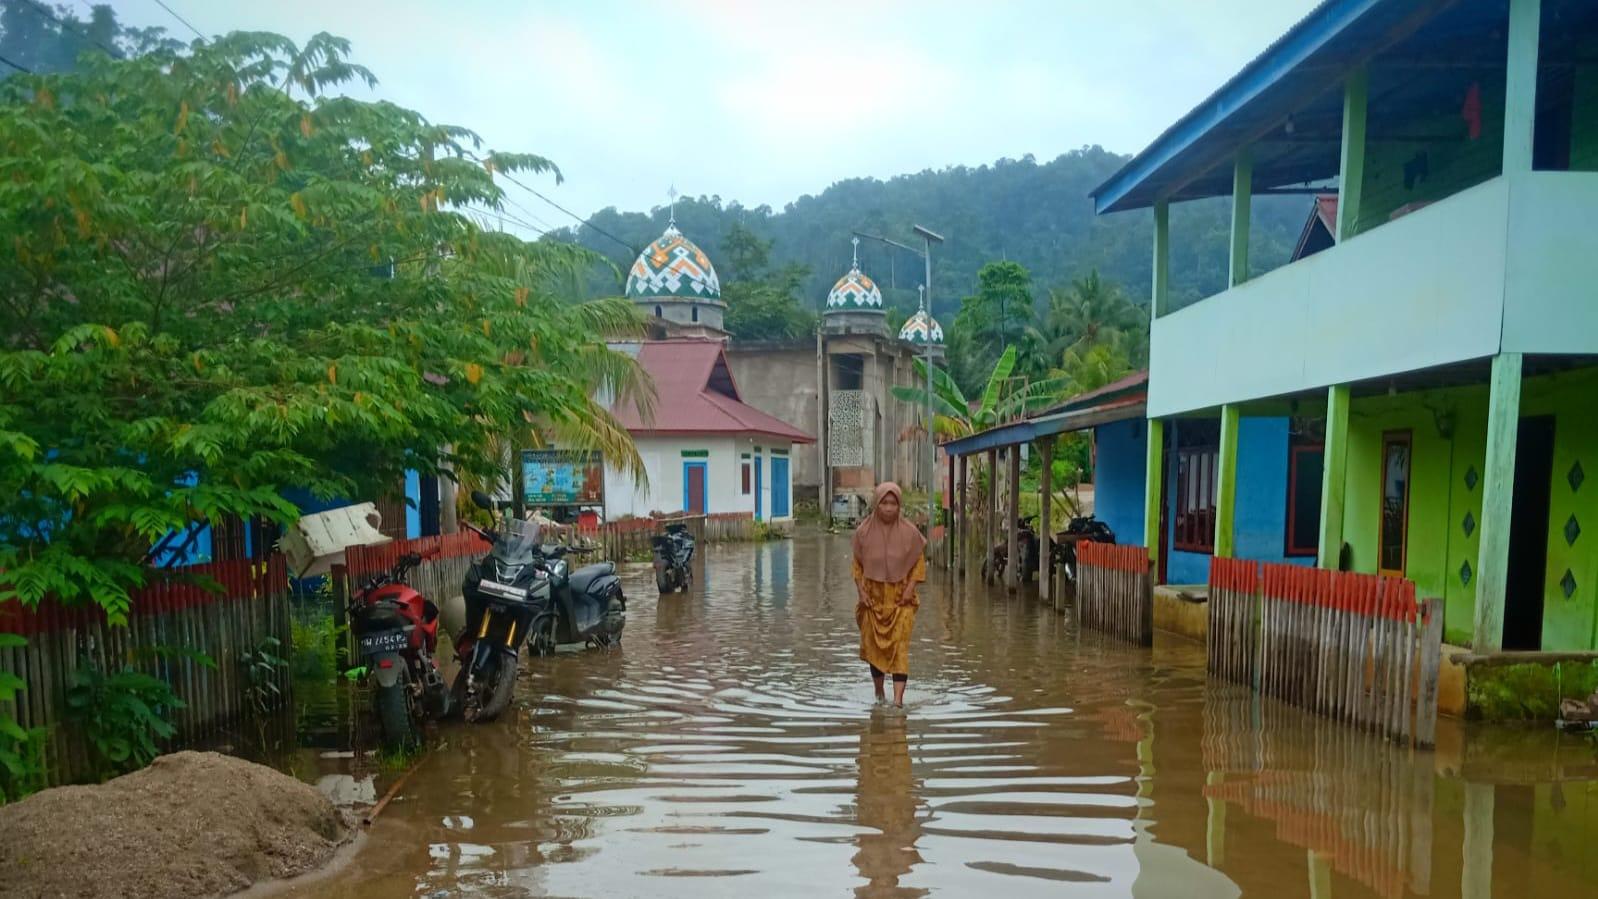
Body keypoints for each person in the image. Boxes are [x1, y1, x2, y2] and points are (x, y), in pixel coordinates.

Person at [852, 482, 926, 710]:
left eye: (893, 503)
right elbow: (857, 566)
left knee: (900, 648)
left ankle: (898, 702)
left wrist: (909, 589)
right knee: (875, 649)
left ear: (899, 506)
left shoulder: (910, 533)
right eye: (884, 503)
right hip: (873, 602)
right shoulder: (863, 533)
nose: (888, 508)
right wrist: (862, 592)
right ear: (876, 504)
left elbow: (918, 565)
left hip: (901, 602)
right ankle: (878, 692)